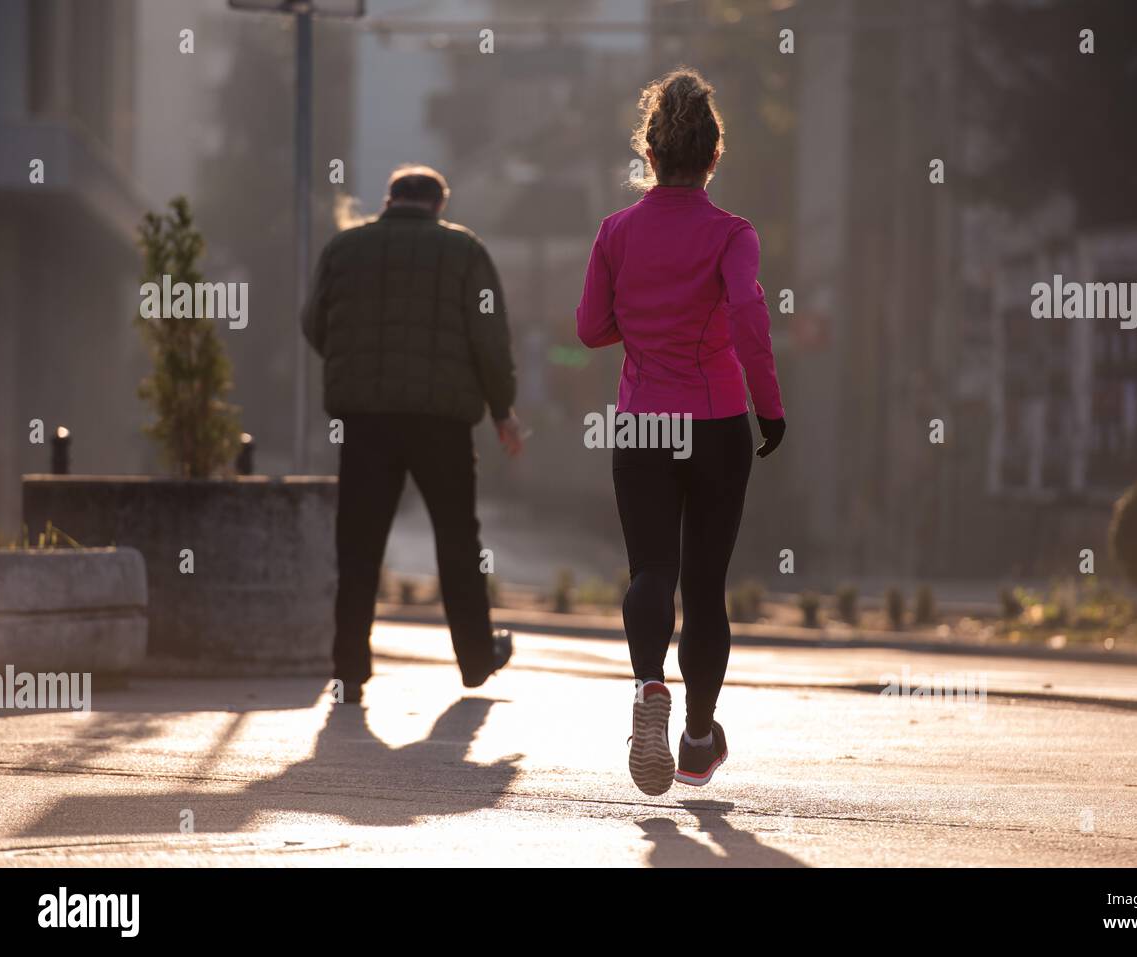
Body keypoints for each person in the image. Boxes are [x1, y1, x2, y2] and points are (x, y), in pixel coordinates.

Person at [576, 70, 786, 795]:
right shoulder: (733, 234)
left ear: (651, 154)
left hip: (642, 420)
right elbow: (748, 318)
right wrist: (771, 408)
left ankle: (646, 686)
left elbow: (589, 327)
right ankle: (698, 739)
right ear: (712, 156)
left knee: (650, 572)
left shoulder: (615, 232)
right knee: (705, 584)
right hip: (720, 418)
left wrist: (642, 327)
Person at [302, 165, 524, 704]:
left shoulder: (345, 248)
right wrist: (502, 410)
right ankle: (474, 659)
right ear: (438, 204)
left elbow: (314, 323)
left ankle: (349, 670)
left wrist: (356, 364)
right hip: (442, 424)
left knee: (358, 544)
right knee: (456, 540)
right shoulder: (465, 252)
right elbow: (489, 339)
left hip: (365, 421)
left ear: (390, 199)